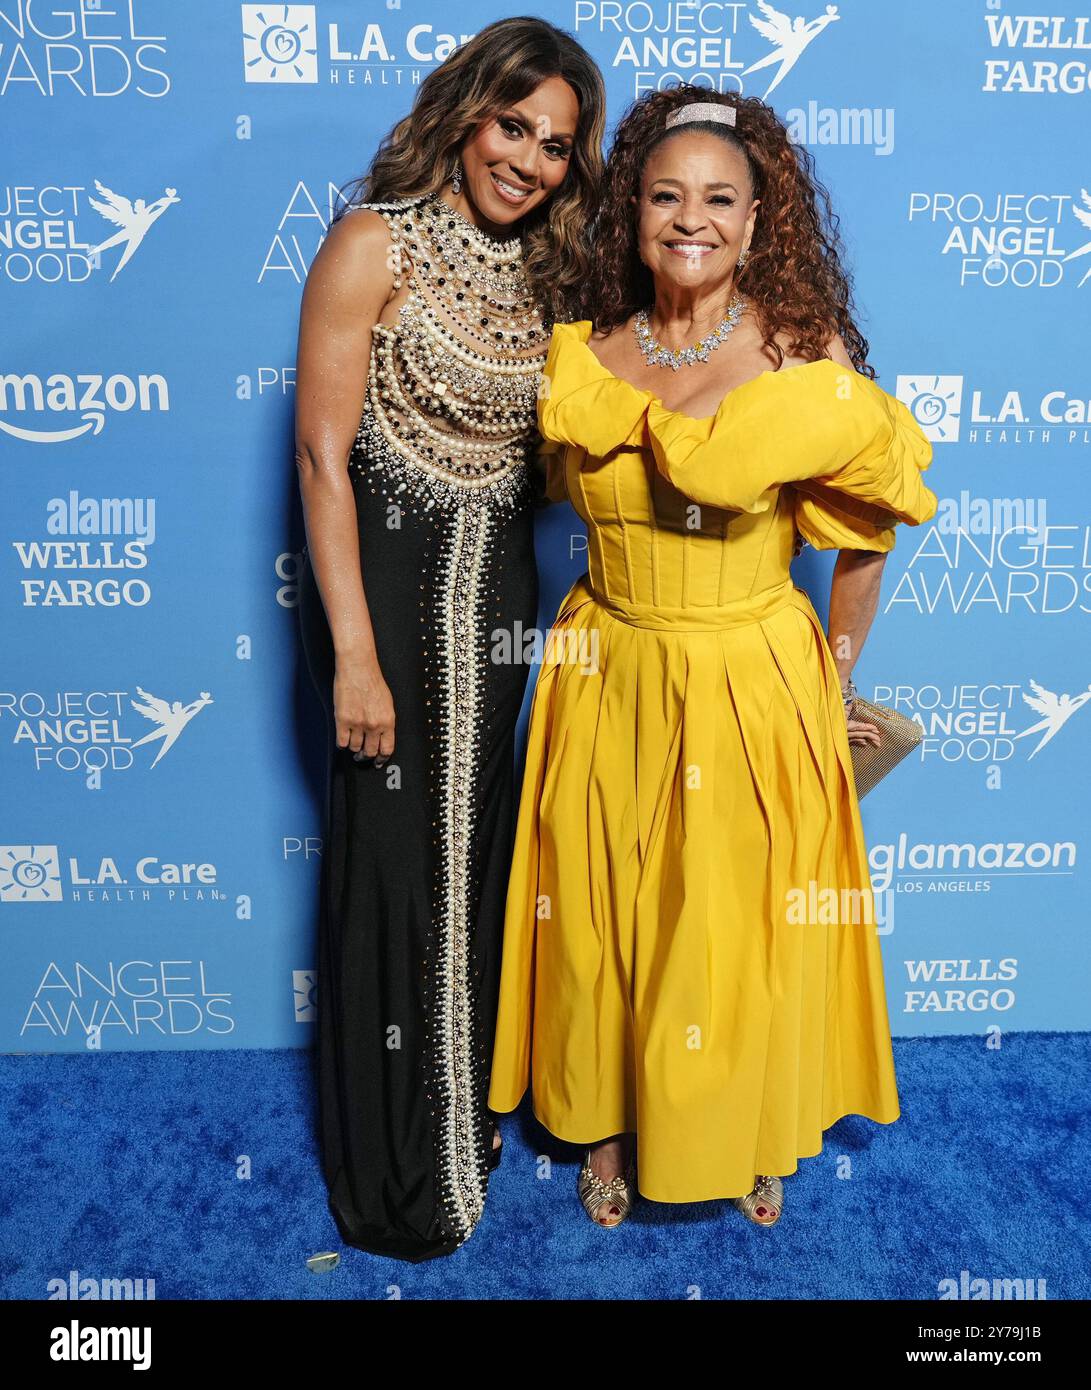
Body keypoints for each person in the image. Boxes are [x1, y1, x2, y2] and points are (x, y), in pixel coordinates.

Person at [487, 87, 938, 1229]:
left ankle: (741, 1124)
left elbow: (860, 540)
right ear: (630, 211)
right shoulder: (583, 354)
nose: (690, 219)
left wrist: (829, 683)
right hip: (606, 666)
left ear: (756, 219)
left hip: (749, 674)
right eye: (665, 195)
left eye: (718, 199)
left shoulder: (802, 357)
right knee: (599, 913)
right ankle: (608, 1117)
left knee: (733, 921)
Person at [294, 18, 605, 1261]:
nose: (526, 161)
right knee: (386, 864)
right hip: (381, 597)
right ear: (465, 114)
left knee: (474, 862)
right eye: (511, 125)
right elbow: (322, 457)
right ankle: (389, 1171)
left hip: (497, 611)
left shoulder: (555, 278)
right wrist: (353, 657)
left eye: (555, 146)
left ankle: (453, 1113)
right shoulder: (371, 244)